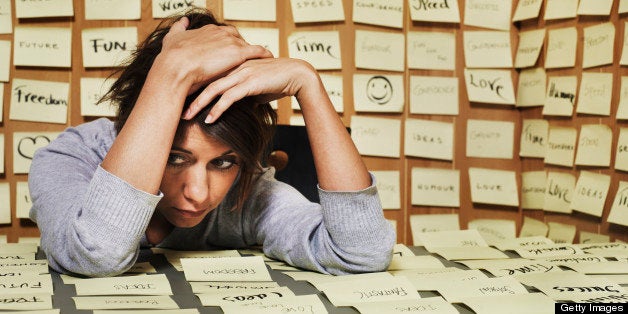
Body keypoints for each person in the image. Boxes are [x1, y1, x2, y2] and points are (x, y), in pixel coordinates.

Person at [28, 8, 395, 277]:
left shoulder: (248, 193)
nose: (199, 193)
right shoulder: (70, 158)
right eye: (174, 158)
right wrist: (172, 71)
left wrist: (307, 83)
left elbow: (361, 253)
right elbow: (95, 254)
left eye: (223, 162)